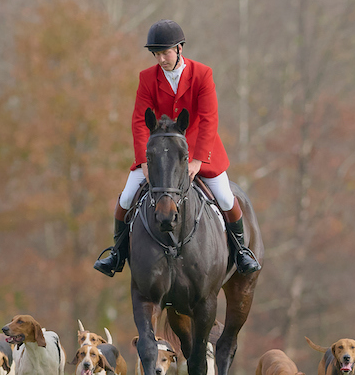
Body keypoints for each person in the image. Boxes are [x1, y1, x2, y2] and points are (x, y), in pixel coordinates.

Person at [93, 20, 260, 278]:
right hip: (161, 157)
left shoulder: (202, 74)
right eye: (156, 54)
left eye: (165, 53)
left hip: (199, 153)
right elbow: (139, 121)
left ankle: (241, 252)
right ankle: (117, 253)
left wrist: (198, 161)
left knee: (226, 198)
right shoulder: (147, 78)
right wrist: (144, 162)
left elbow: (209, 120)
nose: (160, 59)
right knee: (126, 197)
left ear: (180, 49)